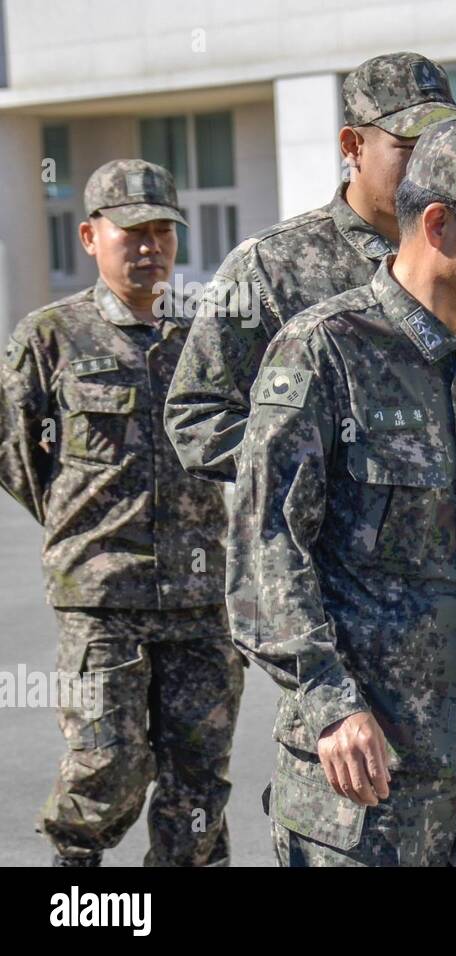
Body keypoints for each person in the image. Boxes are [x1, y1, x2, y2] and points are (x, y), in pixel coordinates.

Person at [228, 117, 456, 866]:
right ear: (438, 224)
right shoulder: (323, 352)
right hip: (373, 754)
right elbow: (264, 550)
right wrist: (329, 704)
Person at [165, 51, 456, 482]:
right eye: (409, 146)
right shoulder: (268, 265)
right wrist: (346, 472)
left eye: (441, 142)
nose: (429, 163)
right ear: (352, 146)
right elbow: (198, 421)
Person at [0, 160, 243, 867]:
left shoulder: (207, 331)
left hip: (201, 598)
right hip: (102, 597)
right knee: (106, 771)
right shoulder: (52, 335)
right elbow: (15, 455)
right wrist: (84, 525)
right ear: (89, 236)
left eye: (163, 230)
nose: (149, 247)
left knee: (198, 782)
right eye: (132, 231)